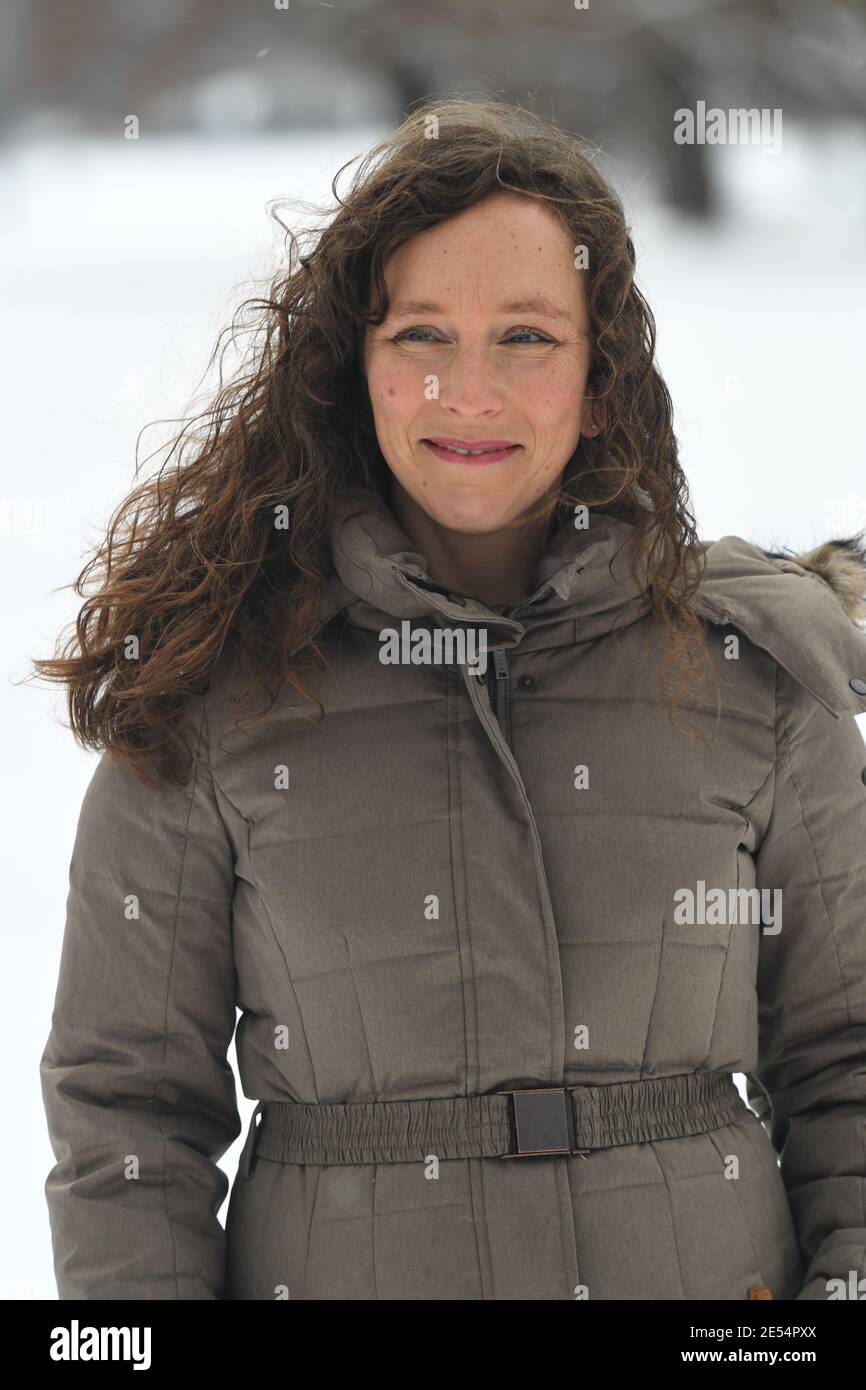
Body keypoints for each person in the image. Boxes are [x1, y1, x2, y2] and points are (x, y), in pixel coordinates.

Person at [35, 98, 866, 1301]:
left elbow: (847, 1063)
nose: (467, 391)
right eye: (421, 333)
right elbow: (125, 1118)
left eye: (525, 336)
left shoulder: (751, 675)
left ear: (599, 376)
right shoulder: (214, 690)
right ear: (354, 370)